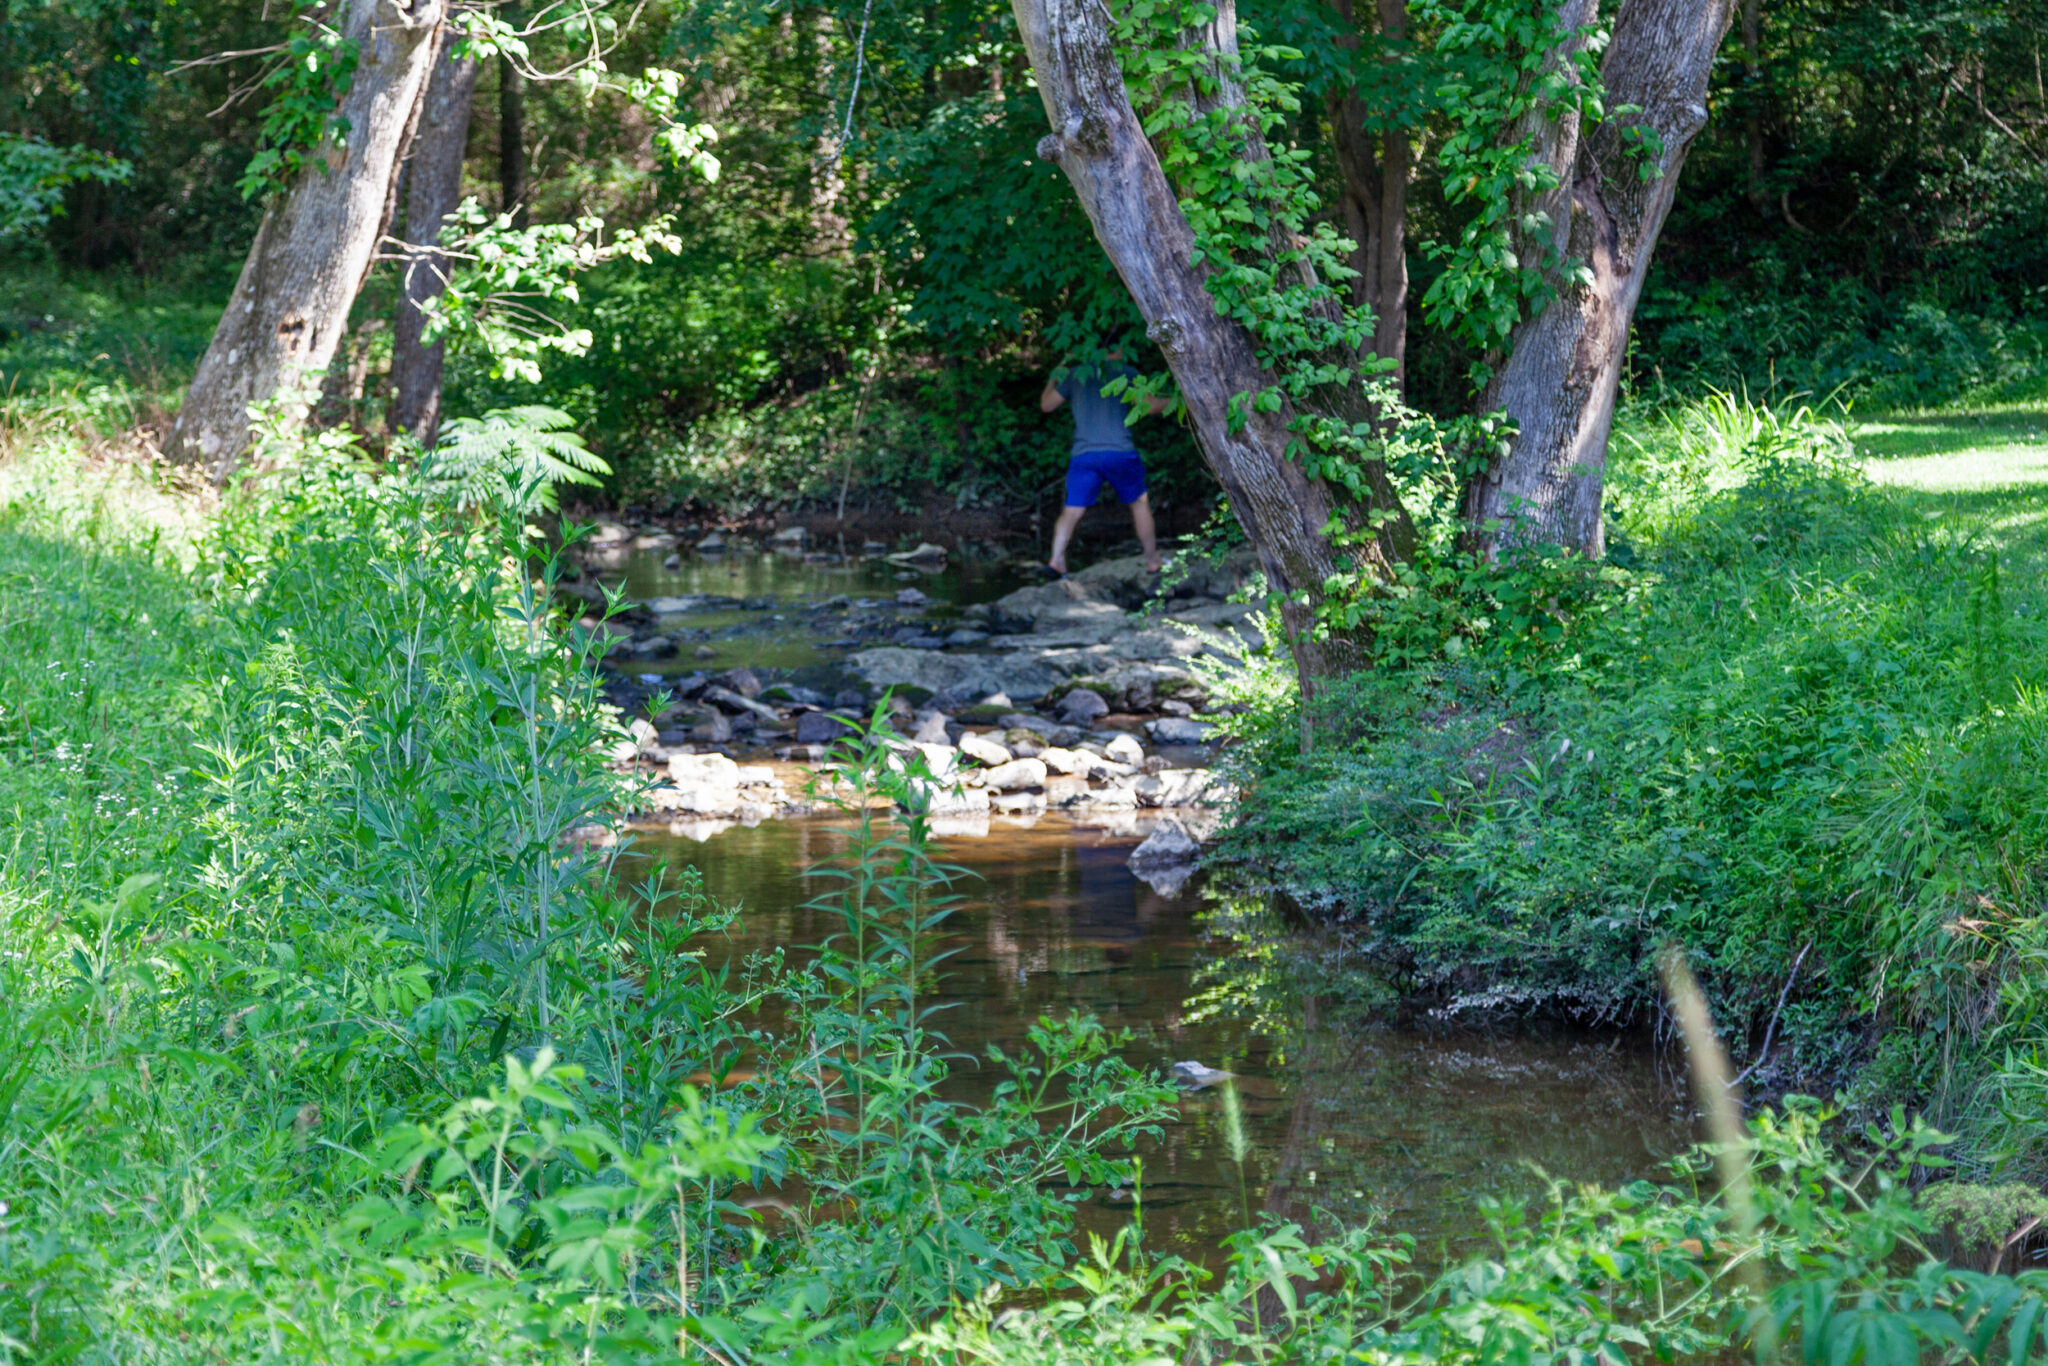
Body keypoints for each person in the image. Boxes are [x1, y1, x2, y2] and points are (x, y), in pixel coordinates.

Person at [1040, 350, 1170, 575]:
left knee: (1071, 511)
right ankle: (1152, 561)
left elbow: (1046, 405)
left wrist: (1054, 375)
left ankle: (1055, 560)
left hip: (1084, 455)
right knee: (1139, 504)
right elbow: (1152, 407)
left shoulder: (1075, 374)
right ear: (1118, 349)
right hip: (1119, 452)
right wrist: (1182, 397)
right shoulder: (1127, 373)